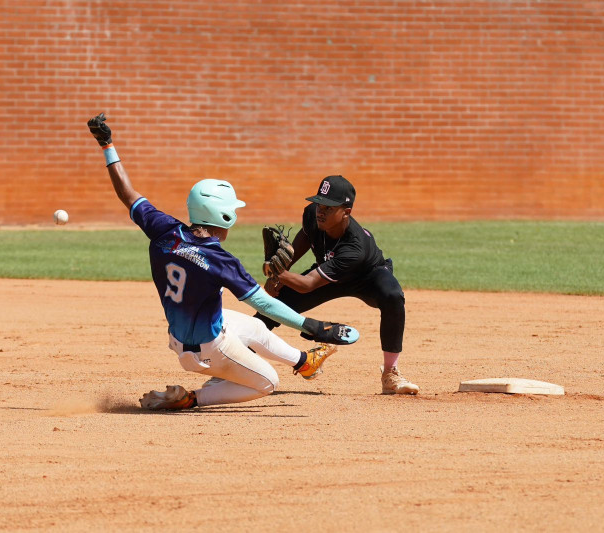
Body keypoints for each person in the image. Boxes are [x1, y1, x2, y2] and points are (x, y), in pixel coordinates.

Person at [86, 114, 359, 410]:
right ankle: (190, 398)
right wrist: (313, 325)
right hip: (208, 351)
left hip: (179, 338)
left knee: (255, 330)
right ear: (223, 217)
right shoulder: (220, 260)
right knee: (268, 383)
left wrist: (107, 145)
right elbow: (265, 304)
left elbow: (127, 194)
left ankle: (305, 363)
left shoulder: (164, 229)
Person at [256, 175, 419, 395]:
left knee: (393, 296)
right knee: (274, 306)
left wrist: (277, 272)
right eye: (319, 204)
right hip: (330, 271)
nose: (320, 211)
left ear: (346, 212)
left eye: (329, 207)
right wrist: (279, 275)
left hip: (368, 277)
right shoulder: (312, 214)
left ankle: (390, 373)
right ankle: (234, 360)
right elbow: (306, 236)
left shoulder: (355, 249)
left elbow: (308, 284)